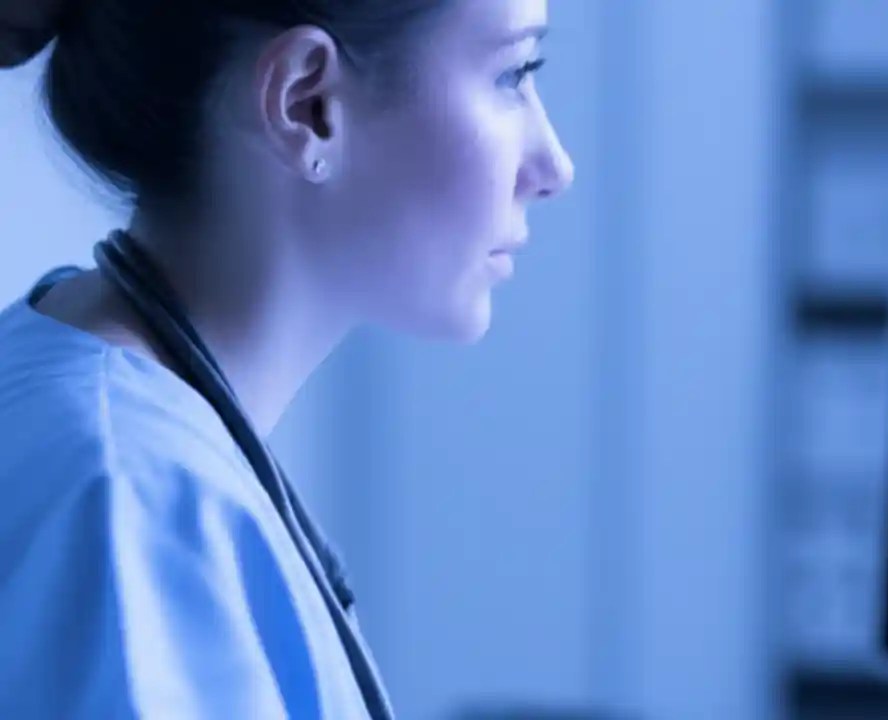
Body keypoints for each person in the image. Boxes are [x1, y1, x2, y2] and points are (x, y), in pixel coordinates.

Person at [0, 0, 574, 716]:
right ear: (308, 104)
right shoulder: (126, 499)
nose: (554, 166)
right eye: (512, 74)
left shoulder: (106, 421)